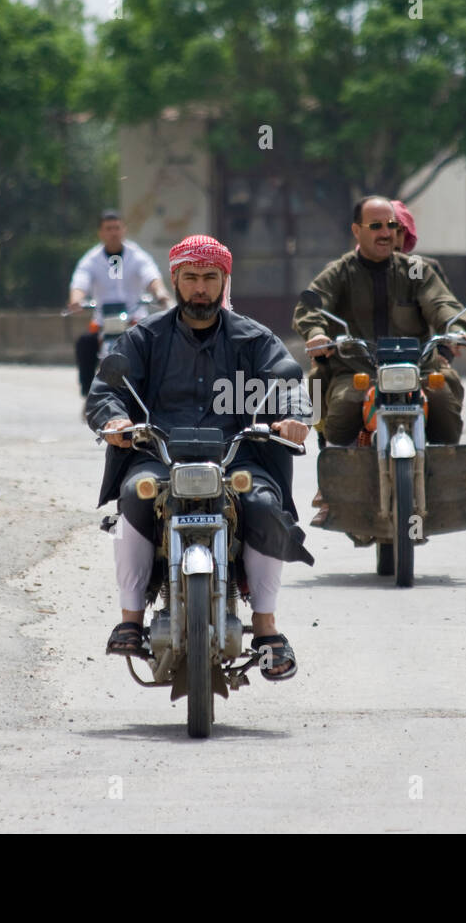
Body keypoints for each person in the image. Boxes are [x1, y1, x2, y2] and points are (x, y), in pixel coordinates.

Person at [87, 234, 312, 681]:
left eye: (210, 277)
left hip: (239, 457)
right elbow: (105, 390)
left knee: (266, 506)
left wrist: (293, 417)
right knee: (134, 495)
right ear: (174, 280)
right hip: (159, 455)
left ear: (225, 280)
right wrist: (113, 421)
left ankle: (266, 629)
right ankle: (130, 620)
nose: (200, 288)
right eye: (190, 277)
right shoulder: (144, 337)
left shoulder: (254, 337)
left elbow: (289, 385)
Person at [292, 195, 466, 450]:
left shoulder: (416, 269)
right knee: (341, 415)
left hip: (417, 369)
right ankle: (336, 474)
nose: (386, 233)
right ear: (356, 231)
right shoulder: (339, 272)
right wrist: (316, 334)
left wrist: (457, 329)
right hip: (357, 369)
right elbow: (312, 306)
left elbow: (441, 303)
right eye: (376, 226)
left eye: (391, 225)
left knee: (444, 408)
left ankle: (441, 478)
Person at [67, 210, 173, 398]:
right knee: (85, 343)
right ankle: (87, 393)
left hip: (134, 319)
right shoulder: (91, 259)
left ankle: (157, 389)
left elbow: (151, 275)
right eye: (108, 229)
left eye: (116, 228)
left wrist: (161, 293)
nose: (113, 233)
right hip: (102, 322)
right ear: (100, 232)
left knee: (155, 344)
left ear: (124, 230)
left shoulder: (137, 256)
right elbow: (80, 281)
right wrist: (76, 299)